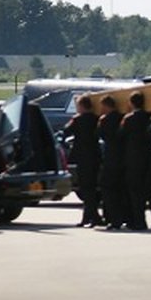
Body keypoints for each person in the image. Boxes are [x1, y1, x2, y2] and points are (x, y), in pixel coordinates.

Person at [61, 95, 101, 227]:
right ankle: (89, 217)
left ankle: (93, 217)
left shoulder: (78, 119)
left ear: (82, 106)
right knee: (92, 188)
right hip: (95, 156)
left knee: (86, 189)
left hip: (83, 157)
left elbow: (66, 130)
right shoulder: (96, 119)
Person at [120, 92, 151, 230]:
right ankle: (142, 220)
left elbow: (120, 134)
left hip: (132, 157)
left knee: (133, 191)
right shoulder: (149, 117)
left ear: (131, 103)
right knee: (144, 190)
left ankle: (136, 220)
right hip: (146, 157)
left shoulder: (129, 118)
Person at [97, 95, 126, 230]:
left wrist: (100, 121)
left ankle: (112, 219)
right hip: (122, 158)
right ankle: (120, 217)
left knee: (108, 189)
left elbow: (100, 134)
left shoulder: (106, 120)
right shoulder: (122, 117)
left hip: (111, 159)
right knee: (119, 190)